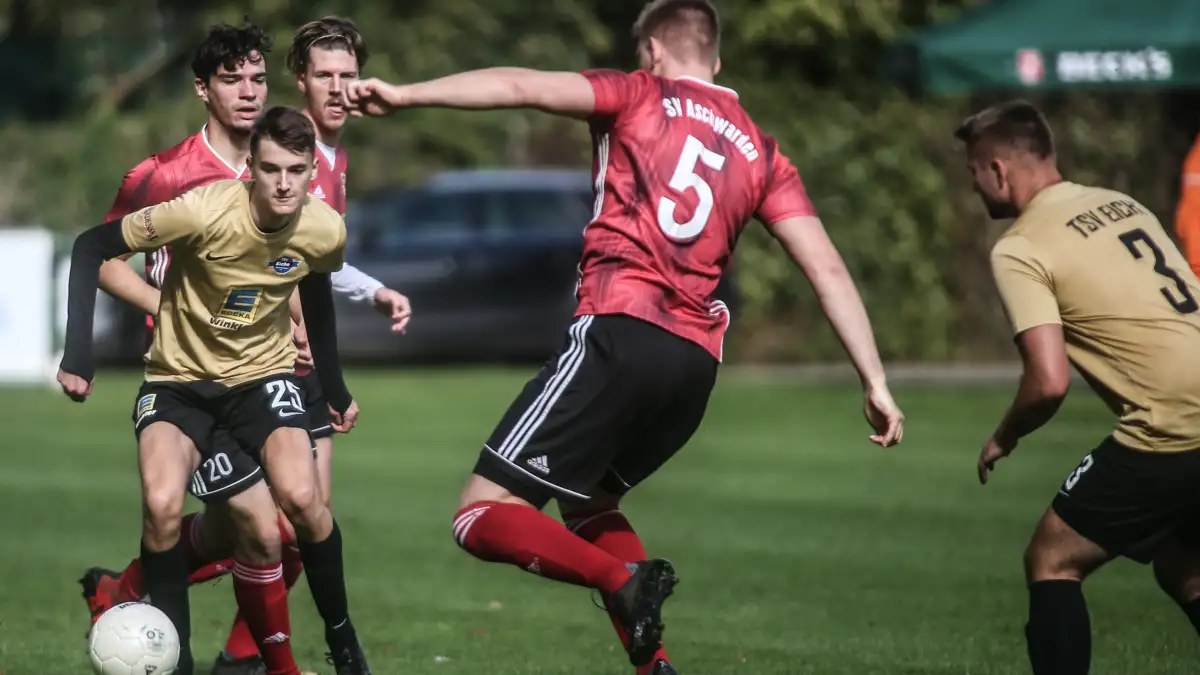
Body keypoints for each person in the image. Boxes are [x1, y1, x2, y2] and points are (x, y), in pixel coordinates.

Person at [346, 1, 904, 673]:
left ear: (652, 53)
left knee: (480, 514)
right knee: (590, 502)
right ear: (717, 60)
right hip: (694, 364)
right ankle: (655, 665)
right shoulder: (763, 150)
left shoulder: (637, 93)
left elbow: (523, 85)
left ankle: (621, 579)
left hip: (618, 331)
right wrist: (873, 379)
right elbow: (826, 266)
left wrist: (407, 95)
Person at [75, 19, 398, 675]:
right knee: (249, 525)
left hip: (276, 369)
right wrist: (167, 309)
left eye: (258, 76)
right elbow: (102, 256)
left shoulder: (298, 158)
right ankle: (216, 647)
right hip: (188, 370)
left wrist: (343, 352)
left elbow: (316, 267)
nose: (249, 90)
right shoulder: (171, 178)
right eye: (232, 78)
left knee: (302, 517)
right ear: (204, 89)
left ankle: (275, 651)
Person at [959, 100, 1200, 675]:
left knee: (1051, 559)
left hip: (1171, 422)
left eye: (975, 176)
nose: (977, 191)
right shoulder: (1121, 203)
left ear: (998, 169)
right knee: (1184, 564)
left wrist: (1004, 435)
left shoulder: (1021, 246)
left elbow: (1047, 382)